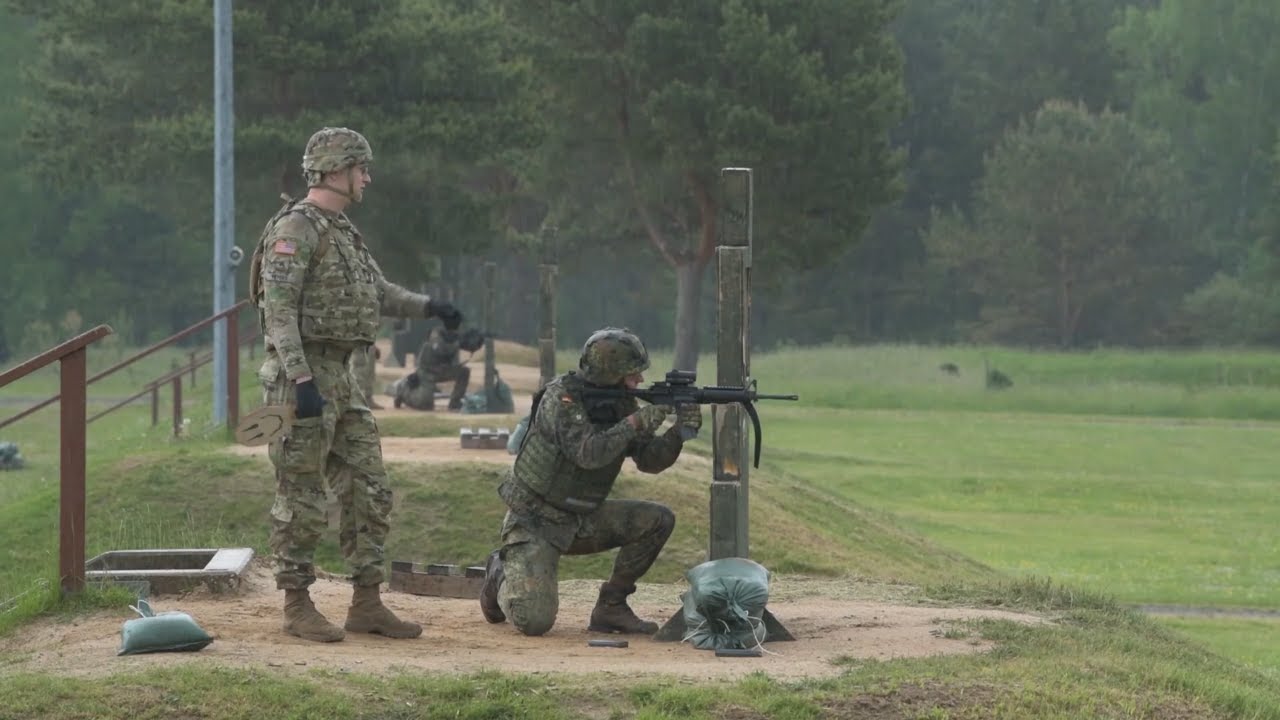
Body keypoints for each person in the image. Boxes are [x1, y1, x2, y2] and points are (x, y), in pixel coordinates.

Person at [250, 126, 464, 643]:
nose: (367, 177)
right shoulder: (295, 229)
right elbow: (278, 313)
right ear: (336, 170)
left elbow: (377, 291)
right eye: (361, 168)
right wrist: (301, 379)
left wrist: (430, 308)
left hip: (345, 379)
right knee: (301, 494)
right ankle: (297, 604)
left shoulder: (341, 230)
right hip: (301, 379)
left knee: (370, 489)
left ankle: (367, 602)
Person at [478, 327, 701, 636]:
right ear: (610, 373)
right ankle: (499, 574)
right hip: (536, 520)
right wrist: (637, 422)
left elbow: (649, 461)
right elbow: (588, 453)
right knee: (534, 621)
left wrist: (678, 432)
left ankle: (612, 606)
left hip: (583, 518)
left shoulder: (621, 403)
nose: (639, 381)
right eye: (632, 374)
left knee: (658, 520)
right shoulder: (562, 399)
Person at [390, 324, 471, 411]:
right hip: (427, 372)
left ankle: (455, 402)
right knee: (425, 405)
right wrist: (456, 344)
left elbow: (452, 358)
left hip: (443, 370)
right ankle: (403, 391)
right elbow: (440, 349)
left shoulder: (455, 337)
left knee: (464, 372)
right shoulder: (436, 334)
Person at [352, 345, 384, 410]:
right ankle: (358, 400)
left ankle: (367, 399)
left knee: (367, 373)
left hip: (365, 348)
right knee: (363, 373)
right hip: (361, 348)